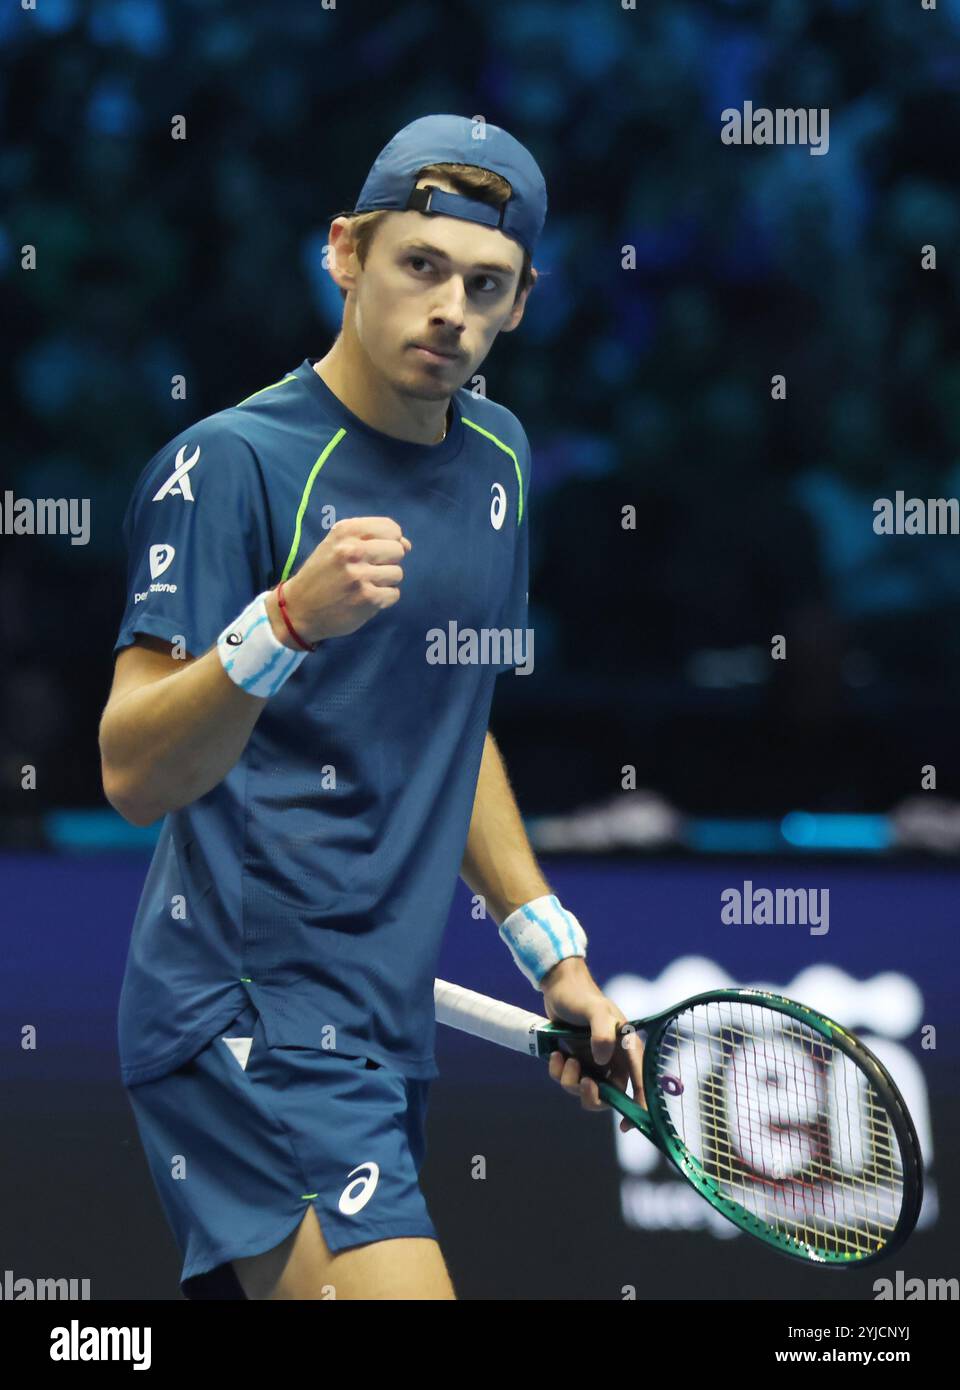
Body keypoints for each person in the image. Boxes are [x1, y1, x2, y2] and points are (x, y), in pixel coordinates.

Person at [99, 114, 644, 1301]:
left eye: (486, 285)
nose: (451, 307)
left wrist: (554, 955)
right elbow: (133, 773)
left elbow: (448, 722)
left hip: (380, 1028)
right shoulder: (228, 466)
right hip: (244, 1016)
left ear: (521, 301)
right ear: (346, 252)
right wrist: (280, 625)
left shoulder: (498, 459)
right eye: (421, 265)